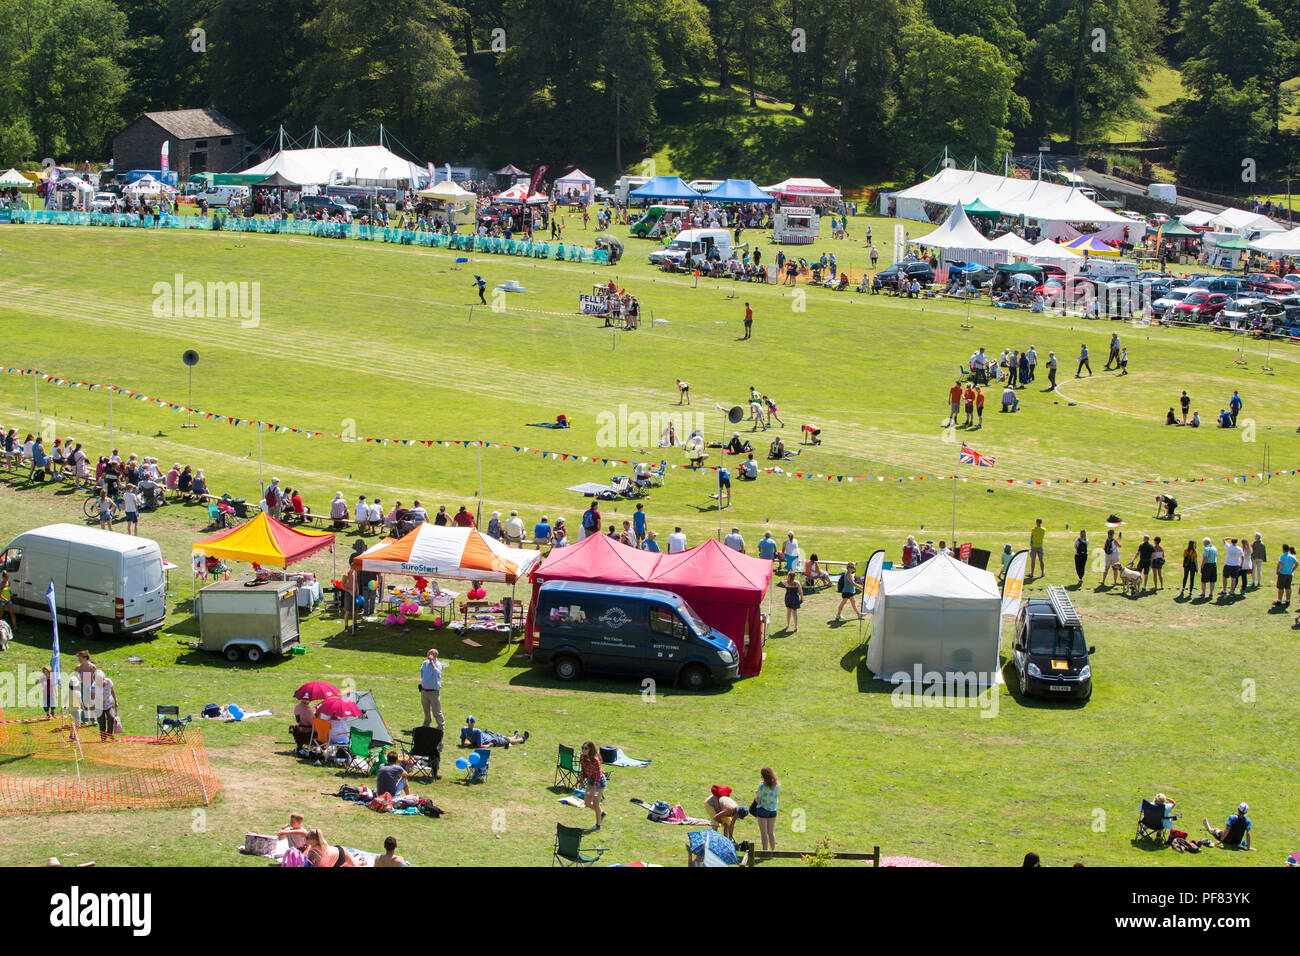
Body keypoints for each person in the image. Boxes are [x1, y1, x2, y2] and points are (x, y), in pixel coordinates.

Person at [579, 741, 606, 830]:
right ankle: (601, 813)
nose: (583, 750)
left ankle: (598, 826)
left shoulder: (595, 760)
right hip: (591, 780)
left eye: (585, 748)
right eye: (582, 748)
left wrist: (595, 787)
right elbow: (582, 770)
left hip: (599, 783)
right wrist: (581, 781)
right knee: (587, 802)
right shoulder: (582, 757)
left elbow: (598, 774)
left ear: (590, 749)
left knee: (596, 803)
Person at [753, 767, 780, 853]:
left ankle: (765, 852)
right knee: (771, 832)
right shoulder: (777, 785)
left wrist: (757, 791)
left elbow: (757, 800)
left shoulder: (762, 786)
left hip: (763, 810)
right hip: (773, 810)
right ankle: (772, 851)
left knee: (764, 833)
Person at [419, 648, 445, 739]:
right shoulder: (424, 663)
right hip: (424, 691)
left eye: (431, 653)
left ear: (435, 655)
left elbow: (437, 674)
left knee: (436, 710)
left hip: (434, 692)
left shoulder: (438, 664)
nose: (429, 655)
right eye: (428, 653)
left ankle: (440, 726)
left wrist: (432, 663)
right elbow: (422, 673)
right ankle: (426, 724)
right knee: (426, 709)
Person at [459, 716, 527, 748]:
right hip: (492, 740)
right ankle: (521, 739)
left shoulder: (463, 729)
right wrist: (488, 745)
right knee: (506, 740)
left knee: (501, 736)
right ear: (474, 722)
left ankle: (515, 736)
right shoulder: (477, 731)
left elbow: (463, 743)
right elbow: (479, 746)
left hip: (489, 736)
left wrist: (471, 742)